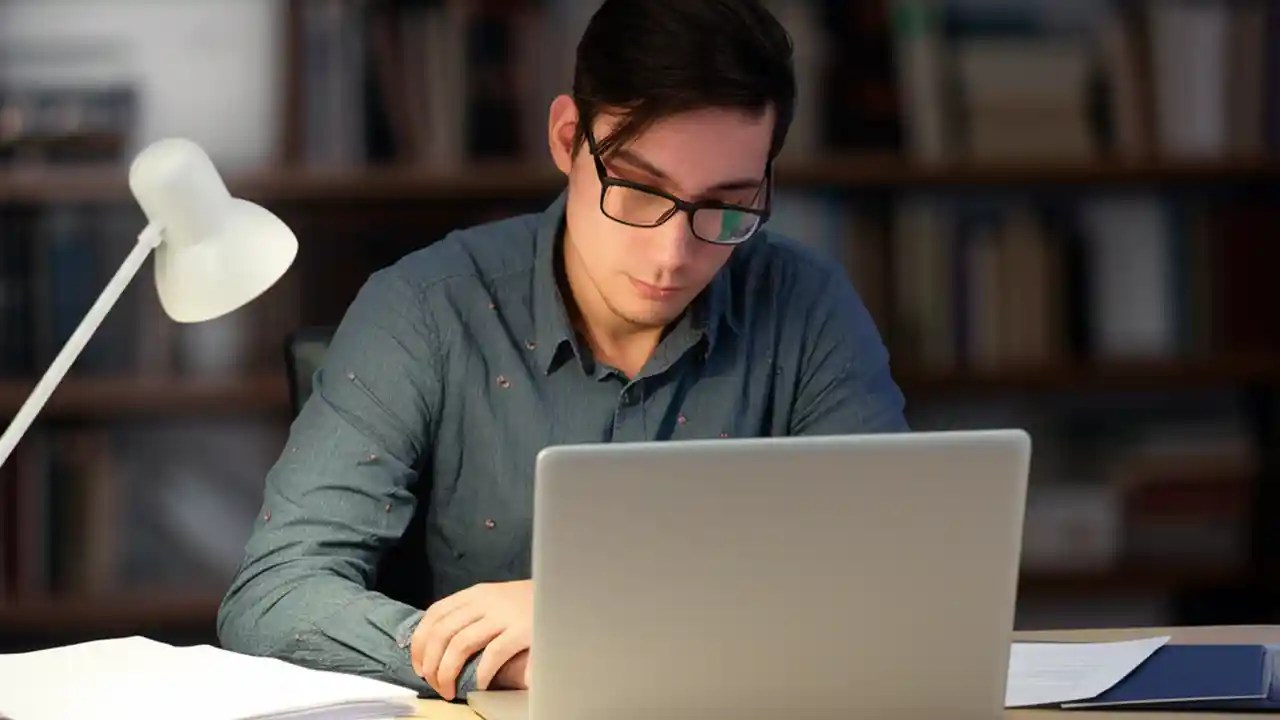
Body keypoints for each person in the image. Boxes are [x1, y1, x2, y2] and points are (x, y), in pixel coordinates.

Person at [217, 0, 908, 703]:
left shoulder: (807, 305)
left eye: (726, 205)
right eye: (639, 192)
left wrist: (588, 621)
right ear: (567, 137)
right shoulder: (425, 307)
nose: (673, 254)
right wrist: (502, 657)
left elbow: (889, 580)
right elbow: (274, 598)